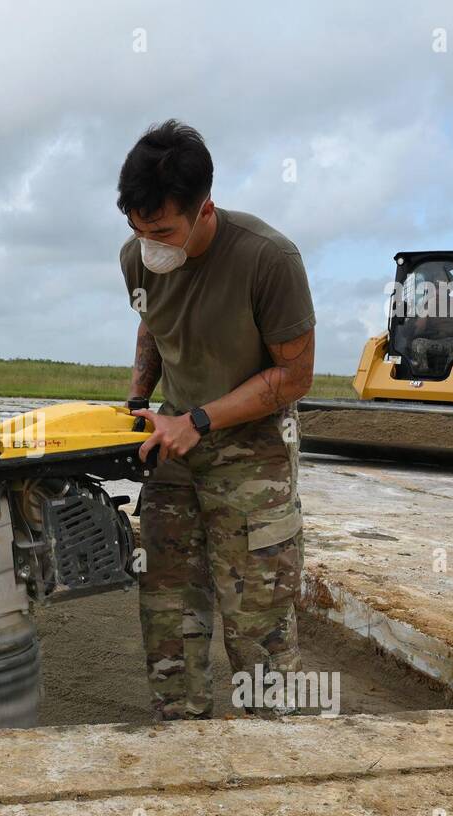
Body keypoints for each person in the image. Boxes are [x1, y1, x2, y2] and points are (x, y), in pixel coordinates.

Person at [118, 121, 316, 719]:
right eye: (136, 227)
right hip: (174, 450)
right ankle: (182, 745)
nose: (149, 243)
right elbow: (153, 325)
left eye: (162, 230)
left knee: (258, 618)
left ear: (205, 209)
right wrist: (135, 405)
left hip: (252, 455)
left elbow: (293, 377)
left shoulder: (268, 259)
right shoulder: (138, 257)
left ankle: (270, 756)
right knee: (169, 612)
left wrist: (199, 419)